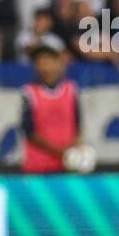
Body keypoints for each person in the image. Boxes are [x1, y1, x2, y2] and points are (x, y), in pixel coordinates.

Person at [20, 43, 81, 173]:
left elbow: (77, 123)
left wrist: (73, 147)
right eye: (40, 62)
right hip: (38, 166)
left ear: (59, 63)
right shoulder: (29, 93)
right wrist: (58, 150)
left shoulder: (71, 89)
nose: (45, 67)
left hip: (67, 164)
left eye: (49, 60)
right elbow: (29, 132)